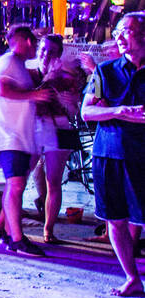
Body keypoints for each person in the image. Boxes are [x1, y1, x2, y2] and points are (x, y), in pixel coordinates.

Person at [83, 12, 145, 296]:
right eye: (117, 31)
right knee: (115, 219)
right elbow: (87, 111)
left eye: (127, 31)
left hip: (141, 156)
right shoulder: (103, 72)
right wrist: (118, 111)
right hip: (108, 155)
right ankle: (132, 277)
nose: (119, 36)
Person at [0, 24, 51, 256]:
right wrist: (35, 95)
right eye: (34, 43)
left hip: (18, 135)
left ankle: (8, 232)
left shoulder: (18, 65)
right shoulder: (9, 61)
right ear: (27, 41)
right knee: (16, 185)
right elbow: (1, 89)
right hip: (9, 135)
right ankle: (17, 238)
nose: (35, 47)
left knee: (15, 185)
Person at [32, 34, 84, 244]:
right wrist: (46, 80)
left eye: (51, 52)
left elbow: (72, 110)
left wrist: (69, 102)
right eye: (43, 50)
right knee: (28, 176)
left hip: (58, 130)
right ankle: (37, 208)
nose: (46, 55)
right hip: (34, 129)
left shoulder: (66, 77)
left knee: (54, 180)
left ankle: (48, 229)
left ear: (59, 55)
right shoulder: (29, 72)